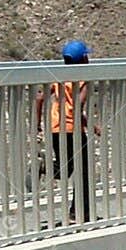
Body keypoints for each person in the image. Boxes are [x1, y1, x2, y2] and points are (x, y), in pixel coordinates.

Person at [35, 39, 94, 222]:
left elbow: (39, 98)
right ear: (83, 59)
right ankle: (78, 212)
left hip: (55, 127)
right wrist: (89, 125)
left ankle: (45, 167)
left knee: (67, 167)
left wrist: (37, 123)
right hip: (72, 129)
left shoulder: (57, 76)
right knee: (82, 169)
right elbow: (77, 107)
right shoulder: (83, 80)